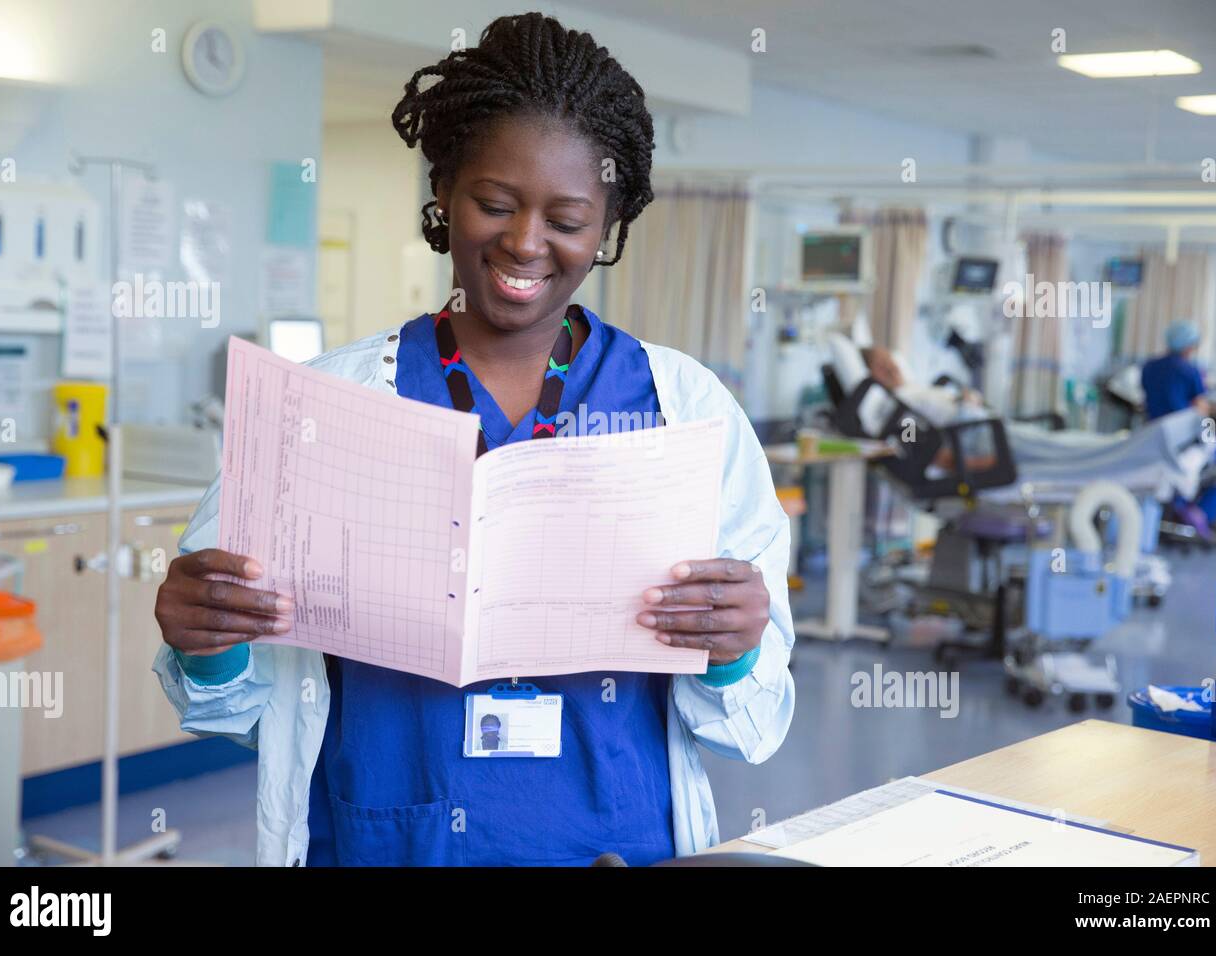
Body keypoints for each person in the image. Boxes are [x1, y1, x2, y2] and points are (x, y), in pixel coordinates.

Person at [152, 13, 794, 867]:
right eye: (495, 204)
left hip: (615, 844)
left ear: (609, 224)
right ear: (446, 189)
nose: (526, 242)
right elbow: (230, 709)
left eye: (567, 217)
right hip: (386, 841)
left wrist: (732, 650)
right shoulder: (327, 403)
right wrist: (206, 648)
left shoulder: (684, 408)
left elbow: (752, 725)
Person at [1141, 319, 1216, 538]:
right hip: (1186, 440)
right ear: (1189, 346)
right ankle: (1199, 513)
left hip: (1154, 439)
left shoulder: (1149, 367)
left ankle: (1180, 502)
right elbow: (1201, 409)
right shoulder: (1189, 370)